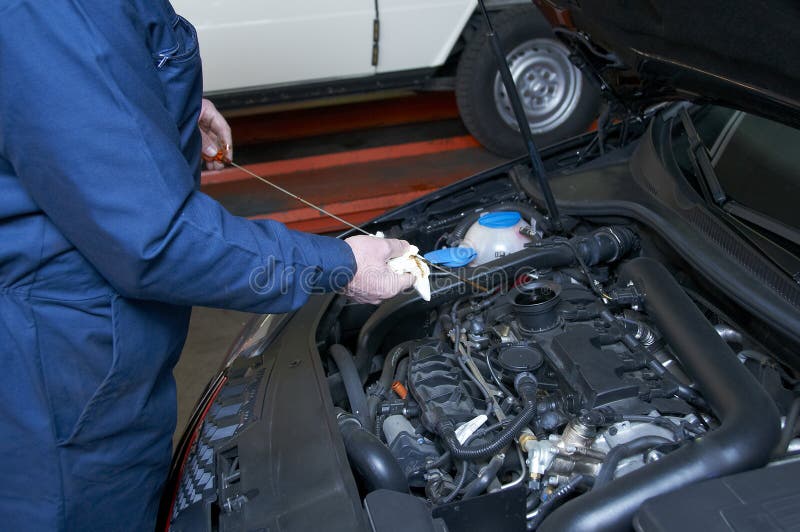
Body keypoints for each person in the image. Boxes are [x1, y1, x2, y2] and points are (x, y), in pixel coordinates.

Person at [0, 1, 414, 530]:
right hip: (60, 375)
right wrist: (339, 264)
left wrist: (153, 105)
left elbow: (77, 82)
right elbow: (158, 239)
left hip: (91, 350)